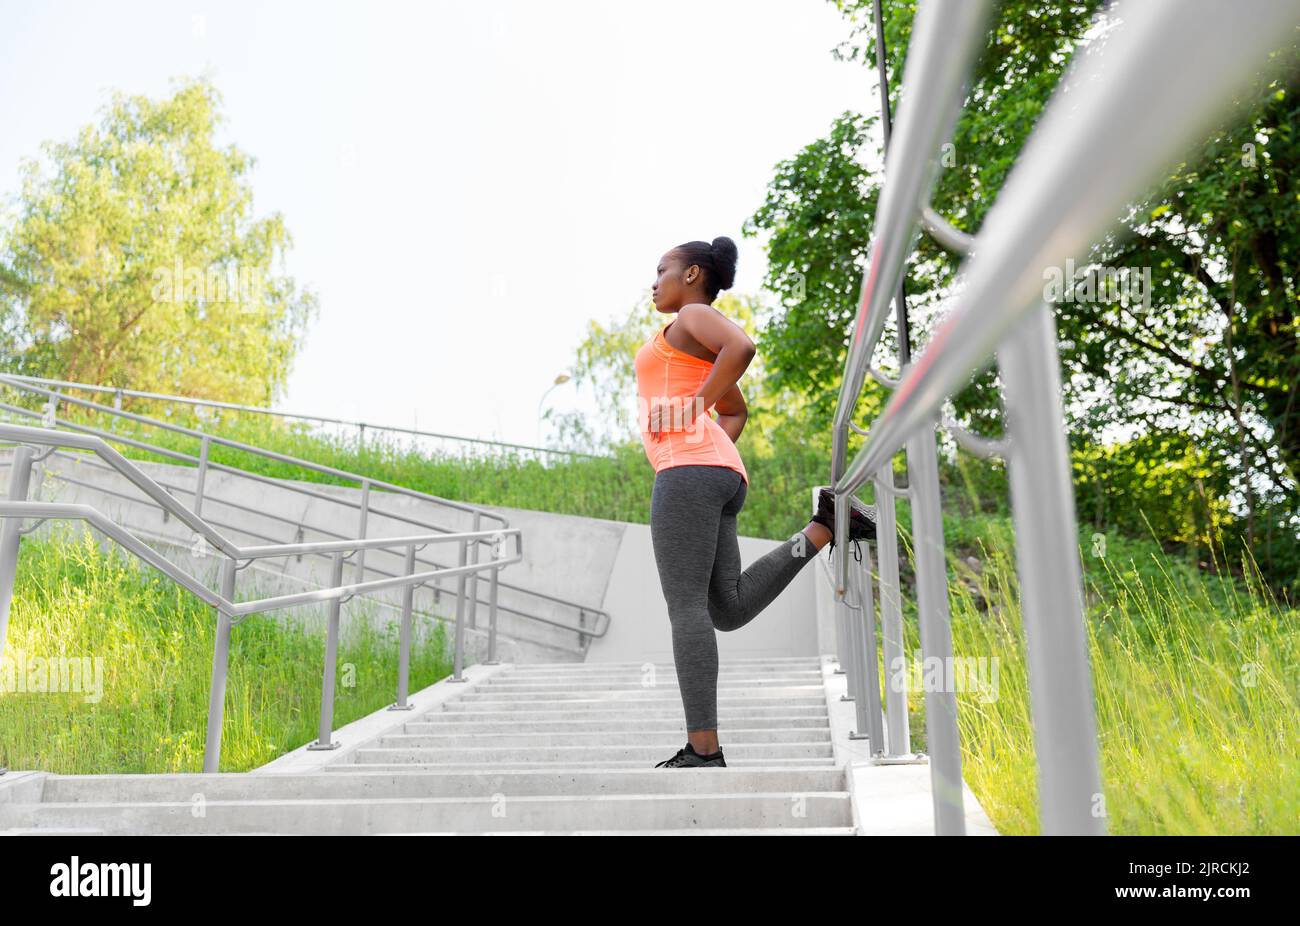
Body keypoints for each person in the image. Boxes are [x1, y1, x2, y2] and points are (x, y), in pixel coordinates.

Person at [634, 235, 876, 769]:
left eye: (661, 270)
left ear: (693, 275)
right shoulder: (684, 337)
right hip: (715, 470)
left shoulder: (690, 318)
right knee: (728, 607)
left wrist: (689, 414)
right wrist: (707, 436)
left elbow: (741, 347)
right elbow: (735, 412)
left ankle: (704, 750)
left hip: (687, 471)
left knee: (687, 608)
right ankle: (827, 527)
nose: (653, 282)